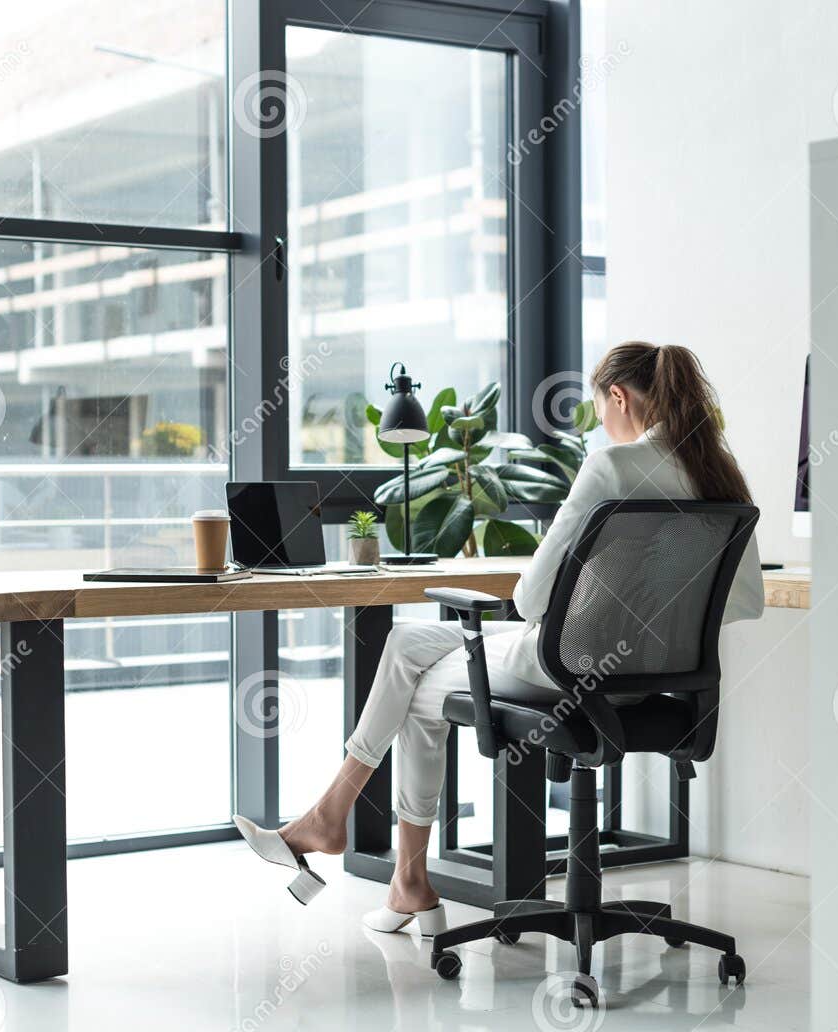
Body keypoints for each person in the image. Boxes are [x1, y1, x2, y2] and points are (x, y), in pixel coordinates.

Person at [233, 341, 766, 936]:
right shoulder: (719, 472)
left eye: (601, 409)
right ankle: (398, 875)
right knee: (412, 656)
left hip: (566, 670)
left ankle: (345, 830)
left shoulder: (612, 468)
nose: (604, 424)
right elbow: (745, 601)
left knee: (409, 661)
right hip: (657, 686)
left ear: (618, 397)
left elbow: (530, 600)